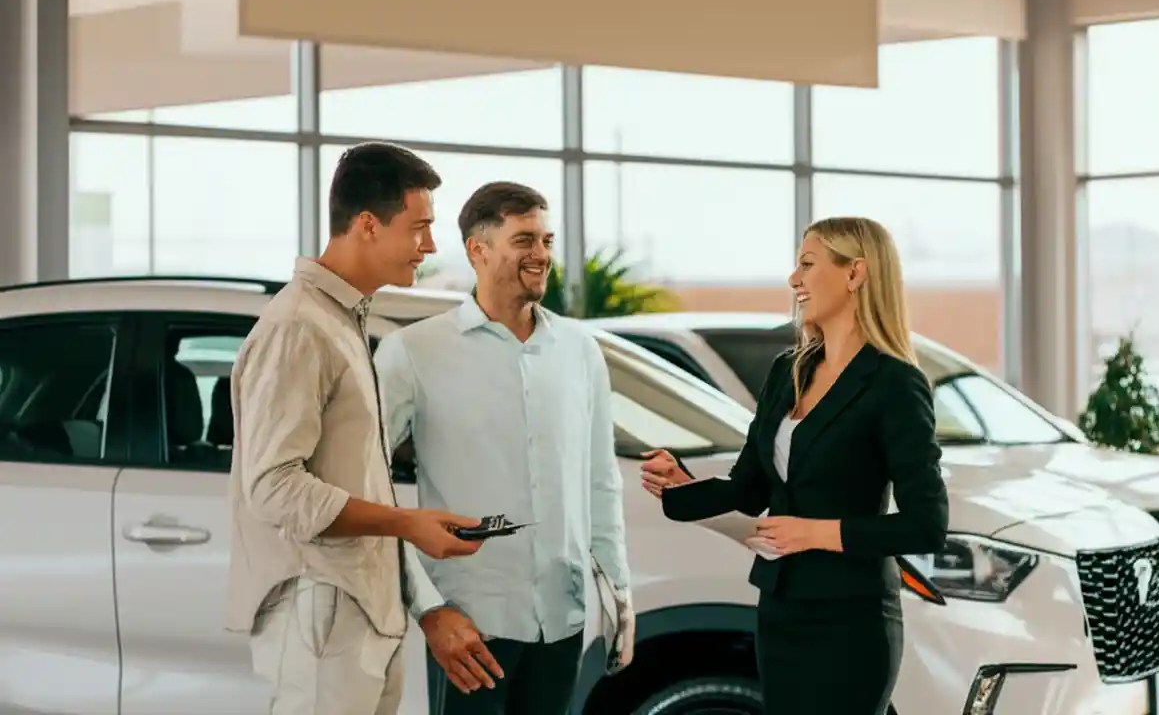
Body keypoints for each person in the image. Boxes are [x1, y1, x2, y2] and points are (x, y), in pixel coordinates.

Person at [639, 216, 948, 714]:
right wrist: (682, 486)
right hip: (781, 609)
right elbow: (749, 486)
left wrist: (814, 534)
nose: (793, 279)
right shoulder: (789, 370)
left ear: (856, 274)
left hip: (852, 621)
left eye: (807, 263)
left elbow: (926, 526)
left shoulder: (895, 384)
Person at [226, 142, 493, 715]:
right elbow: (273, 486)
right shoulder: (299, 328)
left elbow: (355, 480)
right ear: (368, 225)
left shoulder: (341, 321)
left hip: (358, 610)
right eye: (418, 227)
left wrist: (423, 602)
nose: (429, 246)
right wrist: (407, 523)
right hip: (321, 610)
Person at [375, 181, 631, 715]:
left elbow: (600, 481)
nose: (540, 255)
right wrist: (427, 609)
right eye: (524, 240)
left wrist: (618, 598)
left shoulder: (579, 351)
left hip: (563, 618)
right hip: (469, 626)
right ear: (478, 249)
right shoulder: (414, 352)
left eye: (546, 239)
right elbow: (365, 487)